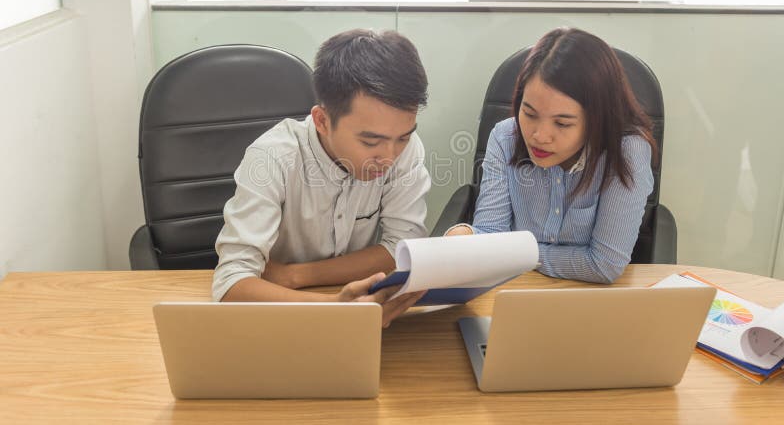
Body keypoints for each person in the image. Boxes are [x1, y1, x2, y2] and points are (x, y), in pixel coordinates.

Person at [212, 29, 431, 326]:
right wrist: (335, 307)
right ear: (322, 121)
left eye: (403, 137)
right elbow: (231, 285)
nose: (390, 157)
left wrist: (295, 275)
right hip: (278, 317)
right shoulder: (271, 157)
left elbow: (401, 250)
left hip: (319, 295)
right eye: (370, 142)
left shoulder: (406, 149)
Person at [447, 27, 656, 284]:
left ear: (599, 119)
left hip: (590, 296)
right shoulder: (505, 137)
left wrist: (516, 254)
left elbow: (605, 264)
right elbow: (491, 236)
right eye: (529, 113)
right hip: (516, 288)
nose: (540, 136)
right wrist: (465, 235)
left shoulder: (627, 152)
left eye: (562, 123)